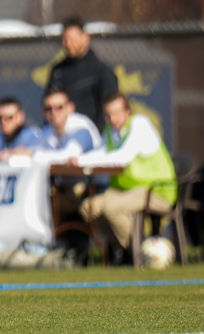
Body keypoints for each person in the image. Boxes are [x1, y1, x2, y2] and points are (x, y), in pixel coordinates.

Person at [76, 95, 179, 261]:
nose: (112, 118)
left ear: (128, 111)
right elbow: (102, 154)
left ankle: (143, 252)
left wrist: (80, 161)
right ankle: (124, 249)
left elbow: (122, 157)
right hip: (125, 191)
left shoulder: (140, 124)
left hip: (156, 190)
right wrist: (78, 160)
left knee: (111, 208)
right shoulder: (109, 130)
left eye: (117, 113)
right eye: (107, 114)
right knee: (88, 208)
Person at [46, 18, 122, 128]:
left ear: (86, 38)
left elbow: (110, 108)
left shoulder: (100, 70)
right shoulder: (57, 71)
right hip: (61, 136)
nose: (68, 43)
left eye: (73, 39)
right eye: (65, 39)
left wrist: (97, 135)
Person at [30, 89, 102, 160]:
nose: (53, 112)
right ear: (42, 112)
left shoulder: (81, 126)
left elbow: (68, 156)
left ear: (70, 108)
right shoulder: (48, 130)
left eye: (59, 107)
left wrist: (34, 155)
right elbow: (31, 150)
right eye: (48, 108)